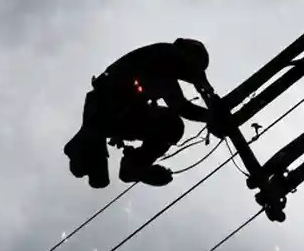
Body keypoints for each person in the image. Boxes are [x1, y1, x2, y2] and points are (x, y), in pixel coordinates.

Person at [64, 38, 221, 188]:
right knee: (172, 125)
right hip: (110, 110)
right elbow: (181, 107)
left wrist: (207, 93)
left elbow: (196, 82)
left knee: (99, 180)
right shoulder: (167, 57)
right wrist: (212, 116)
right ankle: (130, 164)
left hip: (106, 110)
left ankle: (89, 144)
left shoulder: (163, 55)